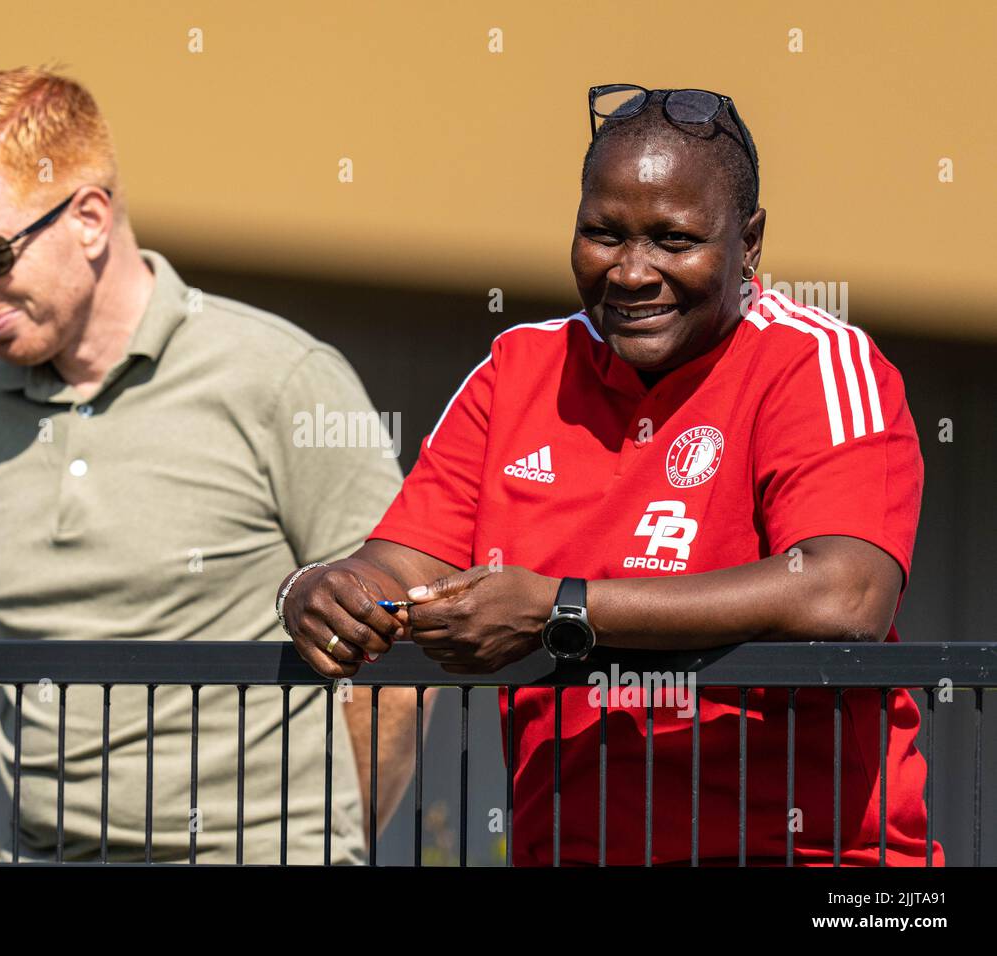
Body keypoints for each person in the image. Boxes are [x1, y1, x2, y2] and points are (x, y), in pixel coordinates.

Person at [279, 85, 943, 866]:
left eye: (674, 238)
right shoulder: (516, 370)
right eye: (603, 233)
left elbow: (846, 595)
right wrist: (326, 590)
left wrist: (564, 611)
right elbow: (402, 560)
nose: (631, 273)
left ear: (750, 241)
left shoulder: (819, 365)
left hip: (809, 860)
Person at [0, 67, 415, 863]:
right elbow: (6, 628)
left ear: (87, 218)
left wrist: (325, 842)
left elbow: (395, 657)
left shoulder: (279, 378)